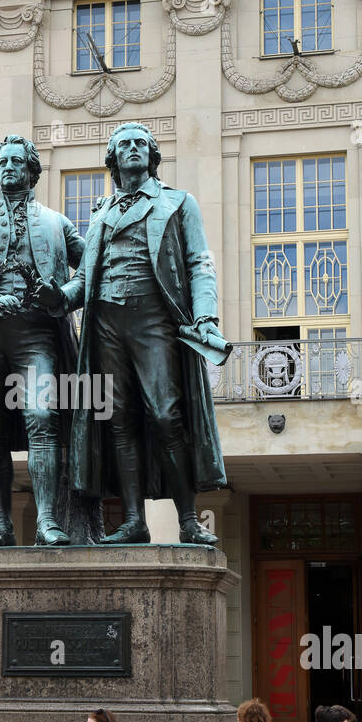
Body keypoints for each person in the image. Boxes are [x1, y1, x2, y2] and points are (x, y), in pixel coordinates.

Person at [50, 120, 228, 544]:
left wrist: (205, 318)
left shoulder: (178, 202)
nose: (133, 149)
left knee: (167, 415)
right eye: (124, 144)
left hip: (154, 320)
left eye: (140, 144)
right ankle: (133, 521)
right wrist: (56, 297)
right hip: (105, 324)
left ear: (152, 155)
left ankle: (188, 521)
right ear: (113, 159)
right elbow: (86, 280)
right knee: (118, 420)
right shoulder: (100, 213)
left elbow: (200, 263)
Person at [0, 133, 85, 545]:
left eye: (17, 162)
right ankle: (2, 525)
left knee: (42, 416)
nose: (9, 168)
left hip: (37, 333)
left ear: (32, 171)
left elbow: (95, 264)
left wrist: (63, 295)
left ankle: (47, 522)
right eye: (3, 162)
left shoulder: (58, 223)